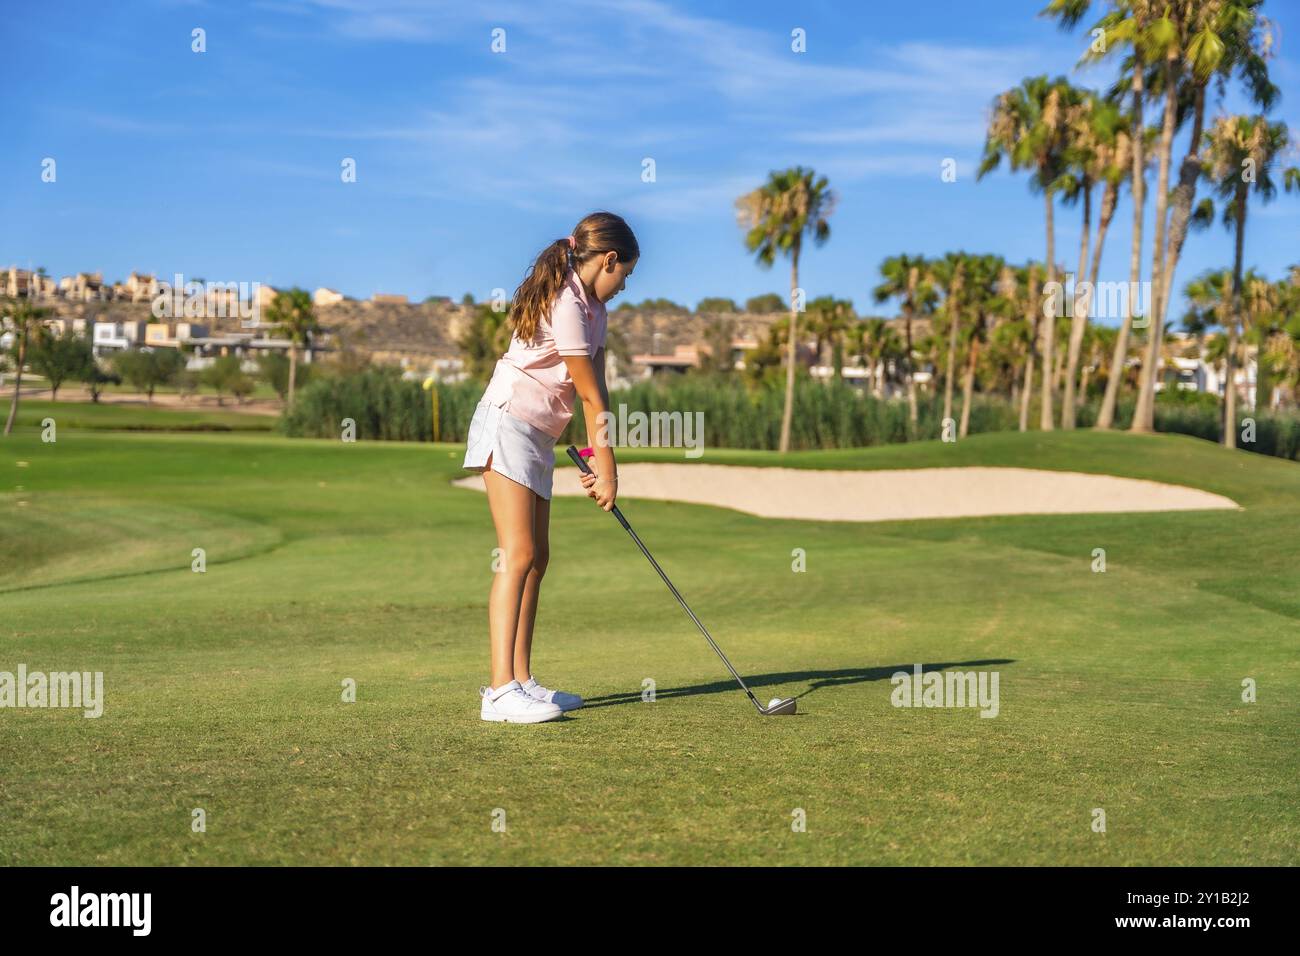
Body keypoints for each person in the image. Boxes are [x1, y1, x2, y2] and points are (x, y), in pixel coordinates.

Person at [462, 211, 638, 723]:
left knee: (539, 558)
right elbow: (586, 393)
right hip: (508, 424)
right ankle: (498, 693)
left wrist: (598, 456)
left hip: (538, 434)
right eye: (625, 271)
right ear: (608, 259)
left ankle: (521, 680)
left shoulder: (594, 309)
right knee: (516, 555)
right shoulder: (565, 300)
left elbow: (596, 392)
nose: (625, 283)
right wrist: (608, 472)